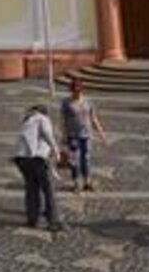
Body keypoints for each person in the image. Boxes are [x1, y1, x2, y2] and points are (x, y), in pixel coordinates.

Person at [12, 103, 63, 231]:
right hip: (37, 158)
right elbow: (47, 134)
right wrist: (56, 150)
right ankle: (53, 221)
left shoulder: (27, 120)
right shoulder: (42, 118)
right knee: (48, 189)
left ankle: (32, 218)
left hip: (21, 159)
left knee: (31, 188)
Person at [59, 77, 105, 192]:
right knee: (74, 160)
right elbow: (63, 120)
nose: (77, 93)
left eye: (78, 90)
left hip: (86, 135)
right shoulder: (66, 102)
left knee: (86, 158)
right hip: (72, 135)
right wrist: (63, 135)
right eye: (74, 90)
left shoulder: (88, 101)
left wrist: (100, 132)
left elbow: (93, 118)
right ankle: (76, 182)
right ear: (71, 90)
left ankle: (87, 181)